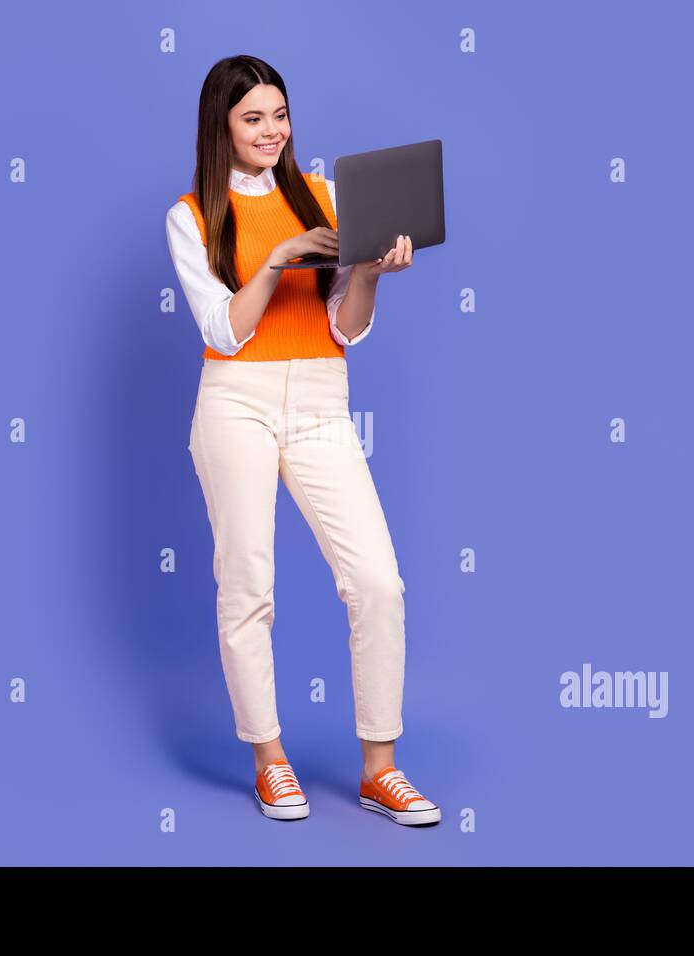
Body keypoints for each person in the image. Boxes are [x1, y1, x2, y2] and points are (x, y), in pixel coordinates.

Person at [165, 55, 439, 826]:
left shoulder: (322, 197)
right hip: (236, 403)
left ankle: (380, 769)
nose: (272, 131)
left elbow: (342, 328)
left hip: (322, 399)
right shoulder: (191, 216)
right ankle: (270, 759)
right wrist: (281, 257)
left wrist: (373, 275)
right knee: (249, 587)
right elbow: (224, 329)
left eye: (280, 115)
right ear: (221, 126)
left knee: (377, 581)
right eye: (253, 118)